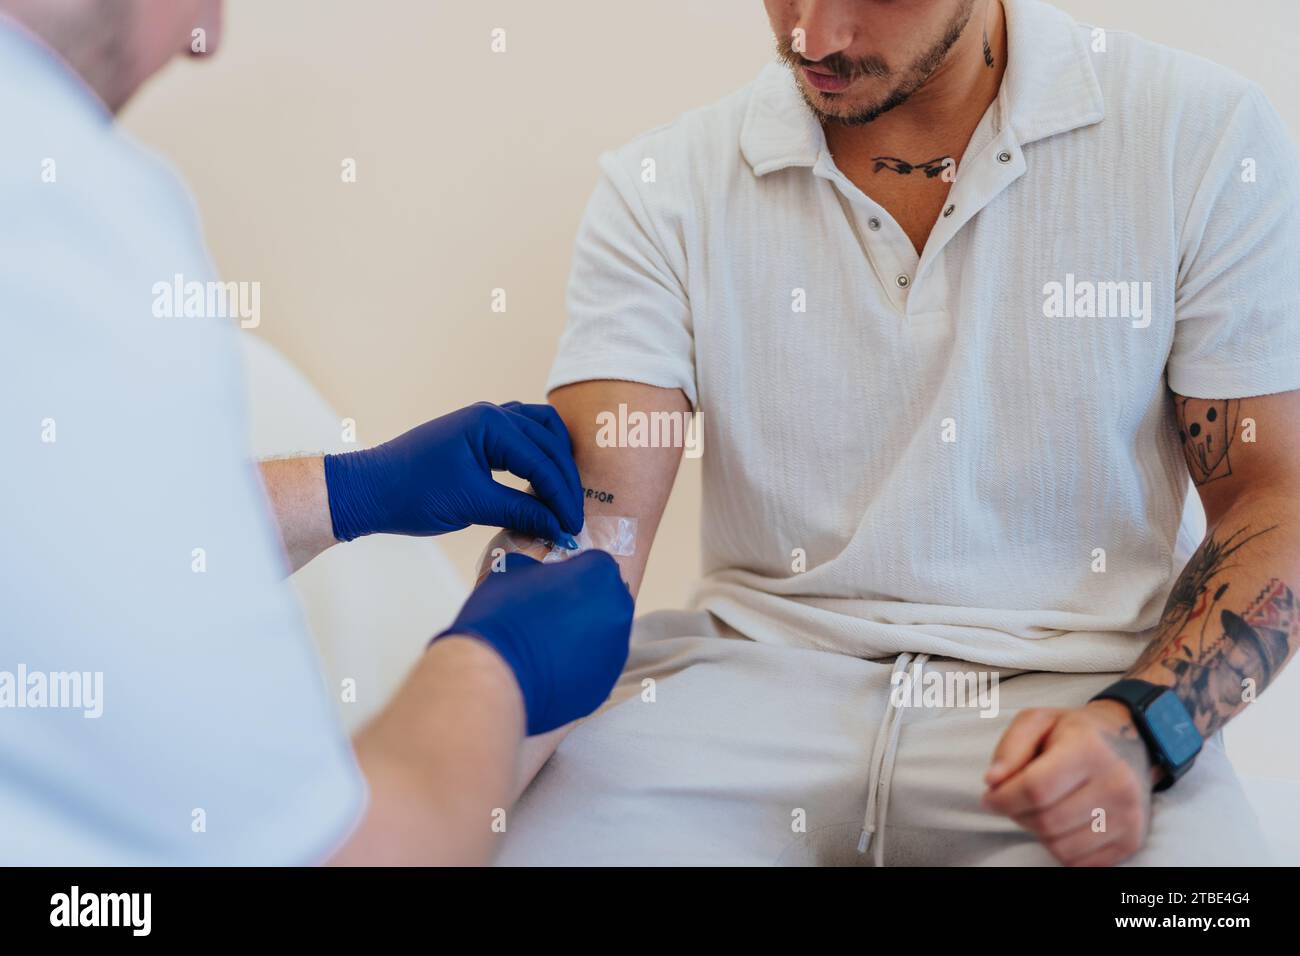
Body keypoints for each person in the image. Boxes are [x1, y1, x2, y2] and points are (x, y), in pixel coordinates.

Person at [494, 0, 1300, 865]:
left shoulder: (1200, 135)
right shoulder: (664, 187)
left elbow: (1274, 494)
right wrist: (446, 757)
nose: (816, 35)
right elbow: (590, 538)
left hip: (1084, 702)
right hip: (741, 699)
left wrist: (1146, 731)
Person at [0, 0, 632, 866]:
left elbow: (49, 547)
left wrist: (346, 492)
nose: (205, 40)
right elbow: (335, 858)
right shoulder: (57, 205)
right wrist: (498, 670)